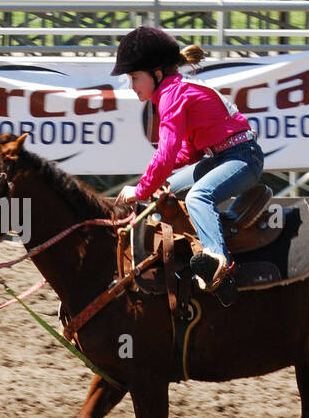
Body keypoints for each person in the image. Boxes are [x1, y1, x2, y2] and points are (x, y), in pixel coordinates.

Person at [111, 26, 265, 304]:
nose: (132, 86)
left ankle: (219, 262)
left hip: (243, 158)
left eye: (135, 77)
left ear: (157, 73)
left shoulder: (172, 95)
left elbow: (168, 151)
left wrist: (143, 187)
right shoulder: (173, 92)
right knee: (165, 191)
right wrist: (151, 183)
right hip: (224, 157)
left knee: (198, 195)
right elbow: (186, 152)